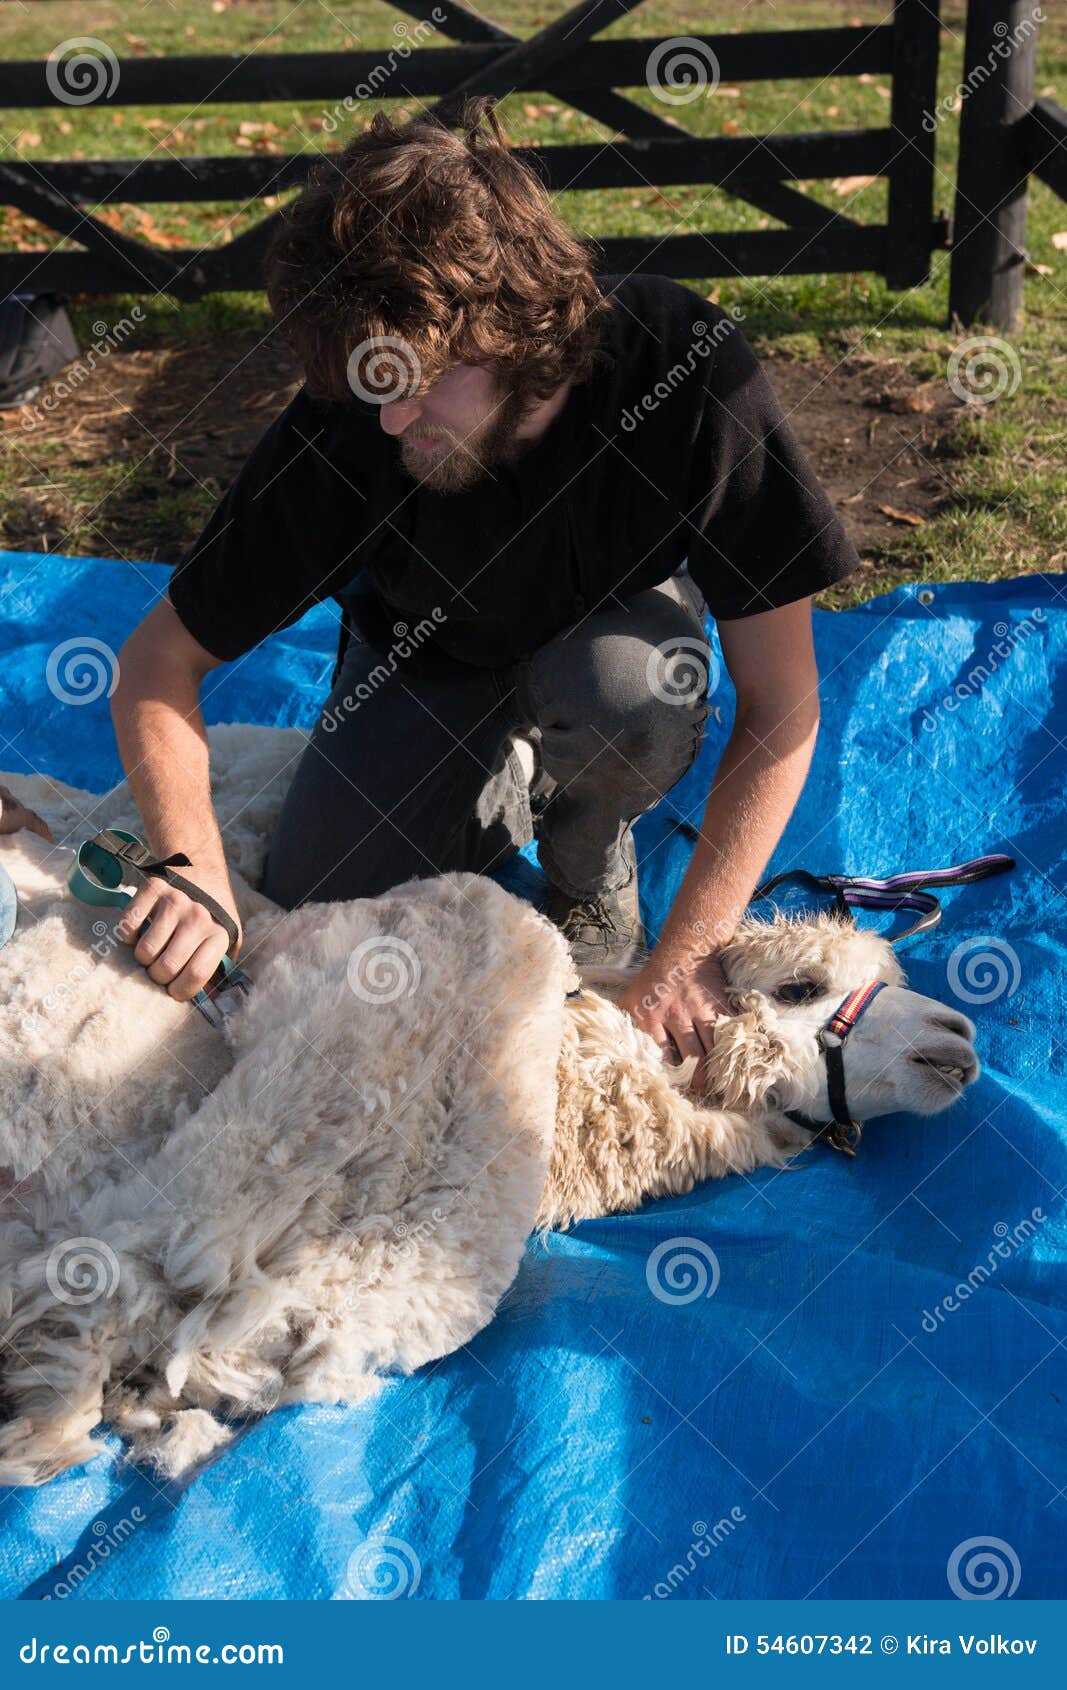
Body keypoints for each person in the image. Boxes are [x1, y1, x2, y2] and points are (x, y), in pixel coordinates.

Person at [110, 99, 858, 1070]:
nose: (390, 419)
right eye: (373, 385)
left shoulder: (681, 370)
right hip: (423, 655)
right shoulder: (351, 418)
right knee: (323, 902)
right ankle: (500, 782)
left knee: (628, 697)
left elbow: (781, 700)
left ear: (515, 327)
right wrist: (189, 860)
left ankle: (587, 847)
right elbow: (156, 658)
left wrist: (689, 952)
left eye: (419, 382)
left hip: (607, 642)